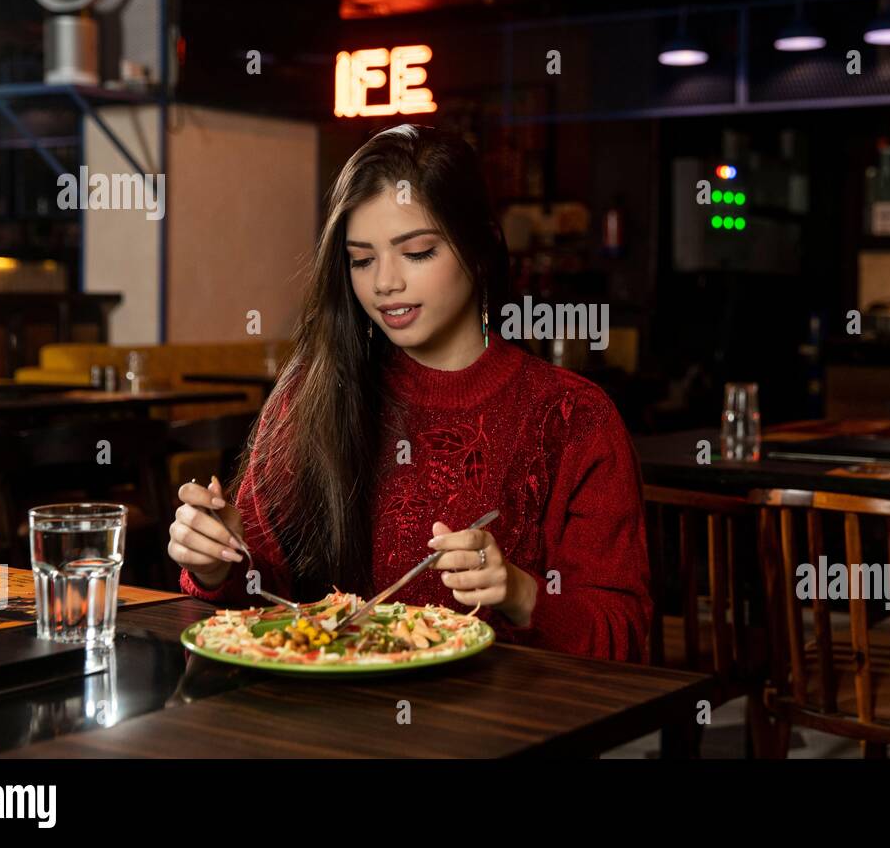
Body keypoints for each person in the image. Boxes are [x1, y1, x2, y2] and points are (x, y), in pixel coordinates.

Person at [169, 125, 652, 662]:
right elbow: (262, 595)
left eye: (416, 252)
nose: (384, 283)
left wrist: (519, 592)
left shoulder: (574, 417)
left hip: (507, 731)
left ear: (481, 246)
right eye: (361, 259)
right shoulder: (315, 393)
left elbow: (623, 638)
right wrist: (216, 562)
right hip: (330, 725)